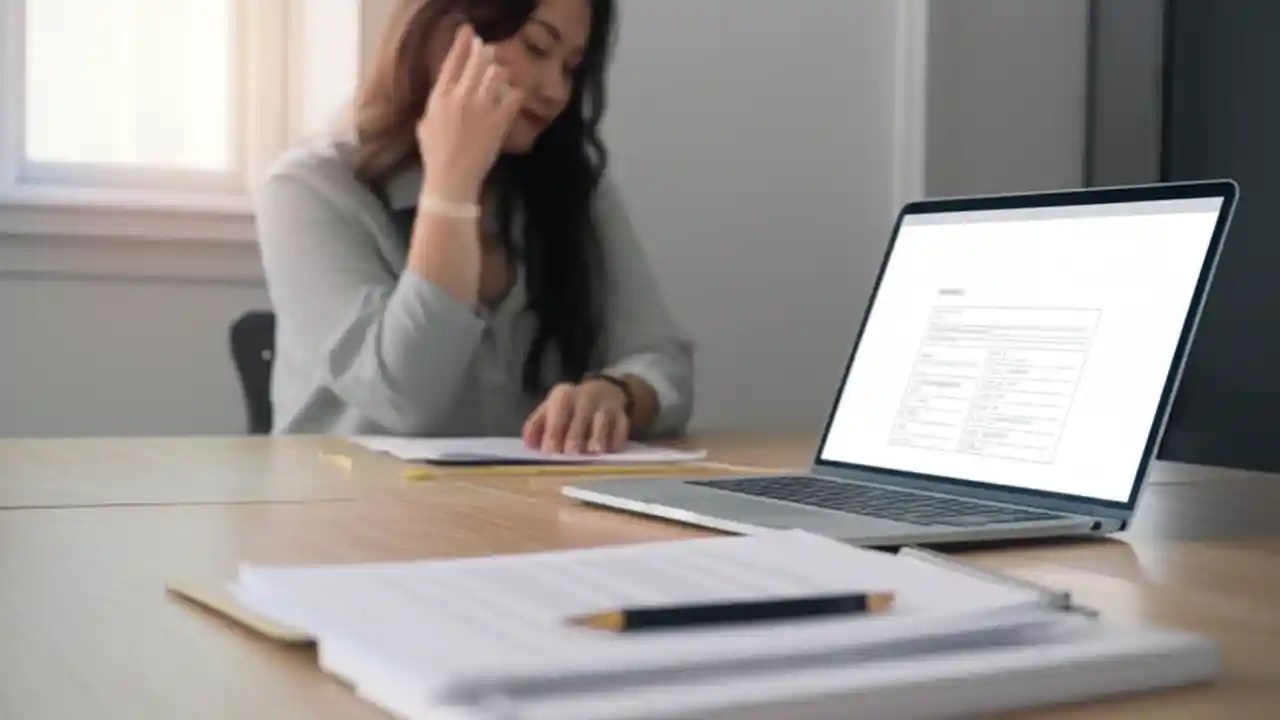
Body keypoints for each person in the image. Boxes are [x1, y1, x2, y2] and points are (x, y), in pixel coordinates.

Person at [254, 0, 693, 455]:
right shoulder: (308, 188)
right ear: (443, 32)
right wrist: (453, 184)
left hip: (524, 496)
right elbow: (404, 397)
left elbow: (664, 363)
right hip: (350, 494)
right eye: (537, 47)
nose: (555, 91)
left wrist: (618, 393)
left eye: (571, 68)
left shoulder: (574, 191)